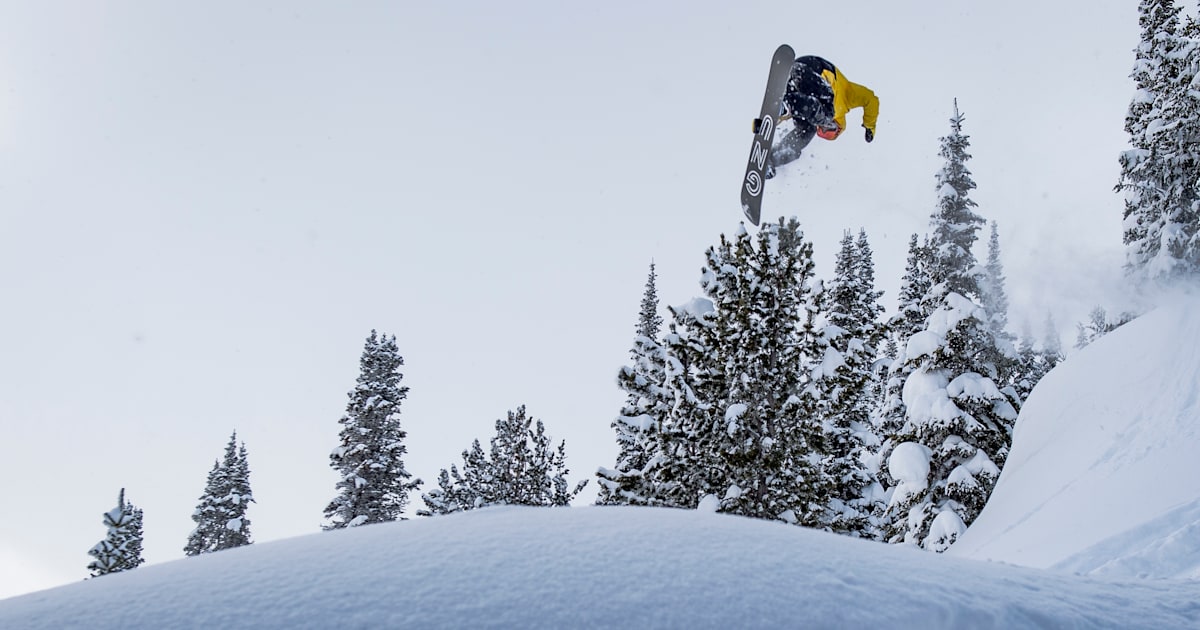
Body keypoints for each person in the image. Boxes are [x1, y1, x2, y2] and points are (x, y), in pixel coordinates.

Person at [765, 55, 879, 178]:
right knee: (827, 113)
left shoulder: (813, 110)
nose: (823, 129)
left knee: (807, 131)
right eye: (829, 131)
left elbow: (805, 109)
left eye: (823, 133)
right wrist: (870, 126)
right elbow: (871, 99)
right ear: (838, 126)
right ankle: (787, 104)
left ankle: (772, 158)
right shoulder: (848, 94)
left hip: (796, 91)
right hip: (809, 70)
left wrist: (766, 123)